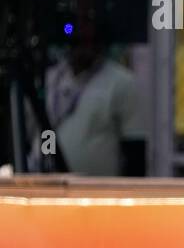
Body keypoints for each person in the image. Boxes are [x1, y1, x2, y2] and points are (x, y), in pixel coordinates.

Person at [35, 32, 145, 177]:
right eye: (77, 41)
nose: (82, 46)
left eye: (87, 39)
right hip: (48, 185)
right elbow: (43, 130)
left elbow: (135, 155)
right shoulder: (50, 79)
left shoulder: (122, 82)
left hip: (99, 192)